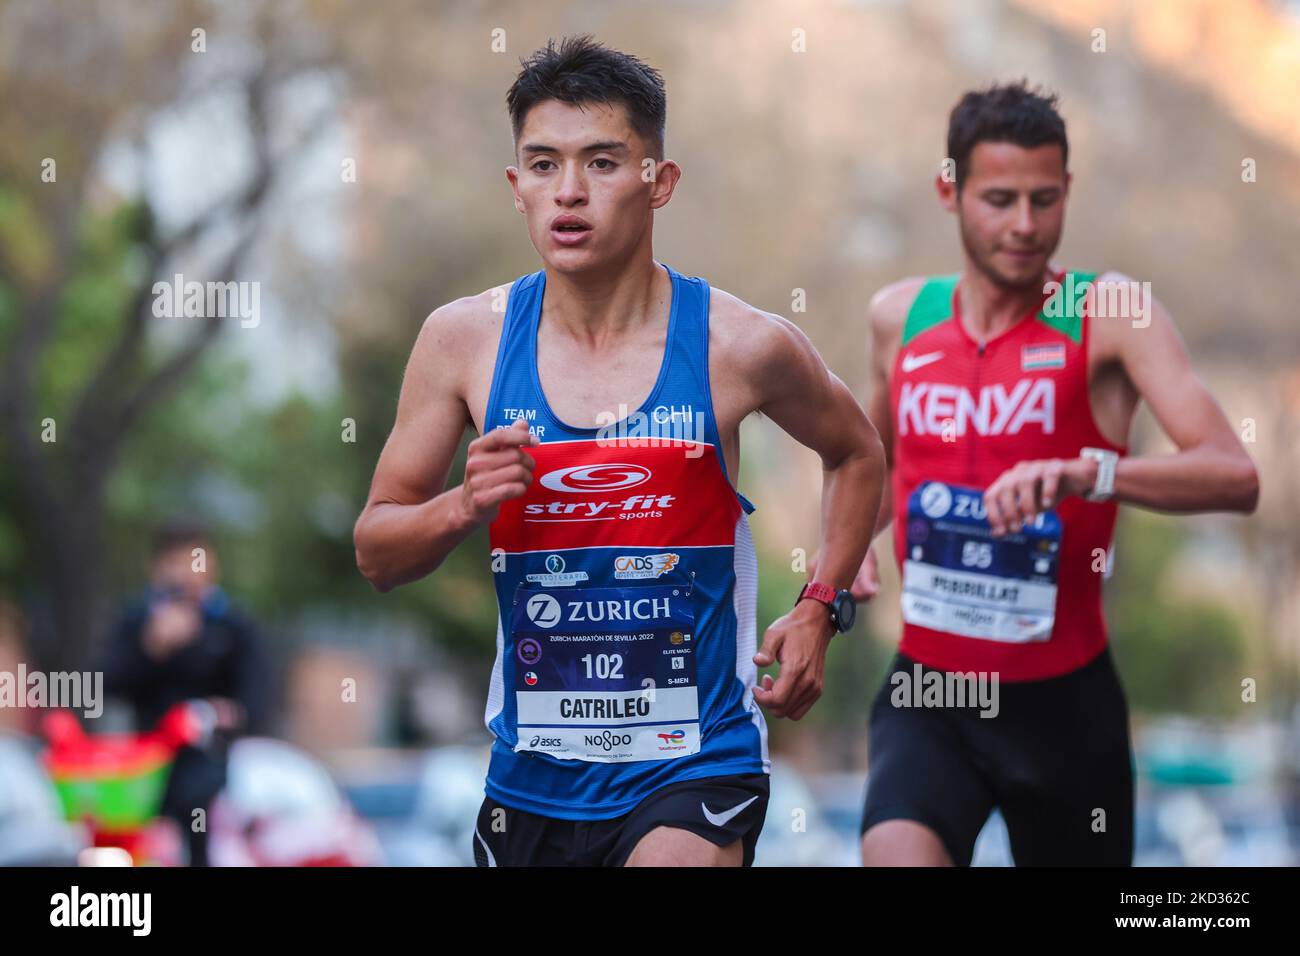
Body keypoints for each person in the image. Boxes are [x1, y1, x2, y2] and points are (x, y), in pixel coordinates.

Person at [353, 35, 884, 867]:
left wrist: (821, 604)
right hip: (531, 776)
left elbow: (857, 453)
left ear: (657, 181)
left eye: (602, 163)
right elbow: (377, 552)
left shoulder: (739, 347)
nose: (568, 193)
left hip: (695, 759)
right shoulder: (463, 343)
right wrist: (463, 503)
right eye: (542, 165)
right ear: (515, 186)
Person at [853, 82, 1260, 866]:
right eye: (999, 199)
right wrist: (845, 554)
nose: (1024, 226)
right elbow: (876, 466)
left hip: (1064, 705)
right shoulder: (899, 318)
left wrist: (1090, 473)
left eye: (1045, 199)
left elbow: (1234, 475)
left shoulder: (1112, 313)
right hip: (931, 692)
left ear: (1068, 189)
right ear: (950, 190)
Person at [99, 519, 274, 866]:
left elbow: (258, 700)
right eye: (174, 562)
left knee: (200, 820)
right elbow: (106, 683)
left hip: (212, 765)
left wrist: (226, 714)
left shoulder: (233, 626)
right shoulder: (137, 623)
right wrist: (152, 649)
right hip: (145, 769)